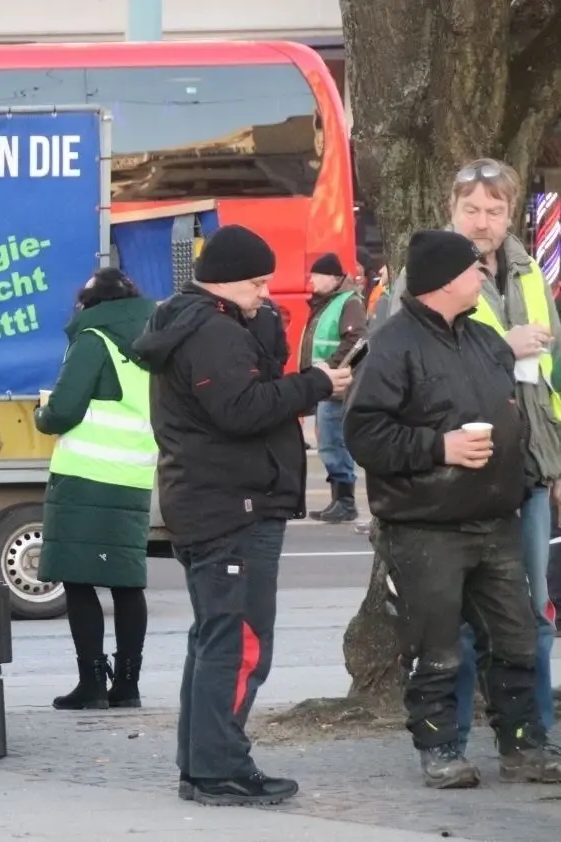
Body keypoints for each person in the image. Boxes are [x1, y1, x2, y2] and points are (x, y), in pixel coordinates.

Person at [133, 224, 349, 807]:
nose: (265, 294)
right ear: (227, 283)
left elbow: (251, 381)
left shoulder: (194, 321)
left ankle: (202, 762)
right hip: (233, 506)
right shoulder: (213, 333)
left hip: (212, 501)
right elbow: (241, 408)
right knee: (240, 642)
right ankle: (221, 767)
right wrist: (315, 384)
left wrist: (270, 334)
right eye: (257, 284)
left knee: (216, 638)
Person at [344, 229, 561, 788]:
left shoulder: (481, 339)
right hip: (425, 527)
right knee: (438, 648)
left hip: (495, 521)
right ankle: (440, 752)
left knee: (516, 642)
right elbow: (364, 436)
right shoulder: (390, 347)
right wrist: (440, 447)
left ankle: (523, 746)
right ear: (445, 281)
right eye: (474, 269)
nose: (484, 275)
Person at [385, 159, 560, 747]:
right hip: (460, 474)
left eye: (494, 210)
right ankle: (450, 740)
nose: (482, 222)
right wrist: (503, 349)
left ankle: (532, 737)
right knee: (454, 623)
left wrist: (556, 462)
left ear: (511, 214)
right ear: (451, 208)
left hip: (529, 469)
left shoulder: (529, 270)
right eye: (471, 210)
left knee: (533, 617)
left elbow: (552, 380)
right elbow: (404, 375)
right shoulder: (431, 273)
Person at [36, 268, 157, 711]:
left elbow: (64, 409)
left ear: (89, 305)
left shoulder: (93, 340)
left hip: (85, 476)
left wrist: (41, 414)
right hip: (134, 475)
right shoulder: (150, 342)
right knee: (126, 584)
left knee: (79, 579)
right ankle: (127, 684)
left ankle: (91, 683)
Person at [299, 253, 367, 524]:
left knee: (333, 443)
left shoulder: (346, 303)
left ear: (332, 277)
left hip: (335, 384)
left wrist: (330, 367)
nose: (311, 280)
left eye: (316, 275)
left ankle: (345, 501)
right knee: (329, 442)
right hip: (327, 384)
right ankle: (339, 500)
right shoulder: (331, 302)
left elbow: (356, 338)